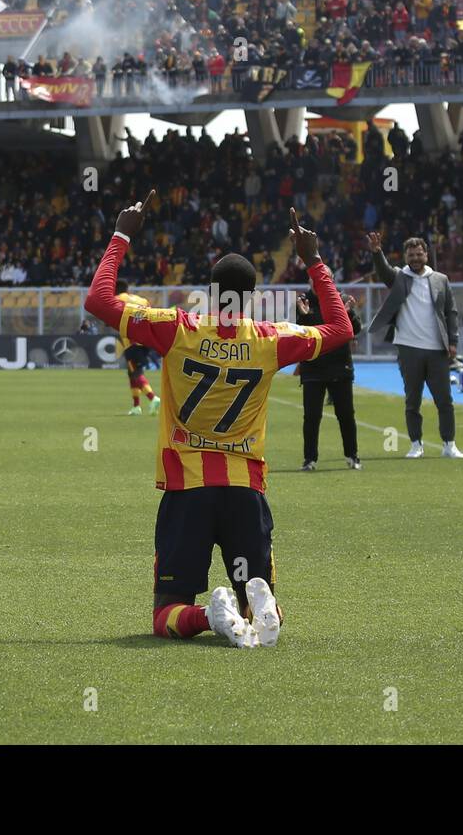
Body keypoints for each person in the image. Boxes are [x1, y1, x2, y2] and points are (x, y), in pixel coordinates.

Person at [84, 199, 352, 648]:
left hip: (187, 488)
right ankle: (260, 606)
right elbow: (341, 330)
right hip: (245, 491)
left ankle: (210, 613)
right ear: (251, 297)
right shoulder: (271, 339)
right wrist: (313, 260)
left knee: (166, 612)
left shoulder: (178, 328)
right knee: (255, 593)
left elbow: (98, 300)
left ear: (211, 292)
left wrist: (122, 234)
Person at [367, 232, 462, 459]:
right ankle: (416, 444)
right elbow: (384, 272)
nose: (416, 258)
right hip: (408, 348)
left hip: (437, 348)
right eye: (411, 255)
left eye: (419, 254)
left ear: (426, 255)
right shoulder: (400, 277)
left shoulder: (441, 279)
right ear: (406, 256)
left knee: (445, 400)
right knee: (413, 401)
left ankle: (449, 444)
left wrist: (453, 341)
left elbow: (451, 312)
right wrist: (377, 252)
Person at [295, 284, 362, 470]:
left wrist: (349, 313)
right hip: (312, 367)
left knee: (346, 415)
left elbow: (355, 329)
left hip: (340, 366)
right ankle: (310, 459)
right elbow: (300, 333)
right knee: (311, 417)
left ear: (330, 280)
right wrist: (305, 316)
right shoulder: (303, 301)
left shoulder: (341, 299)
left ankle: (352, 456)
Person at [112, 279, 160, 415]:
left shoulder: (117, 299)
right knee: (131, 373)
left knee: (136, 372)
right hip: (144, 341)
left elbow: (112, 316)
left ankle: (153, 398)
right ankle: (136, 407)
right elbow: (150, 317)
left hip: (131, 343)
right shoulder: (143, 300)